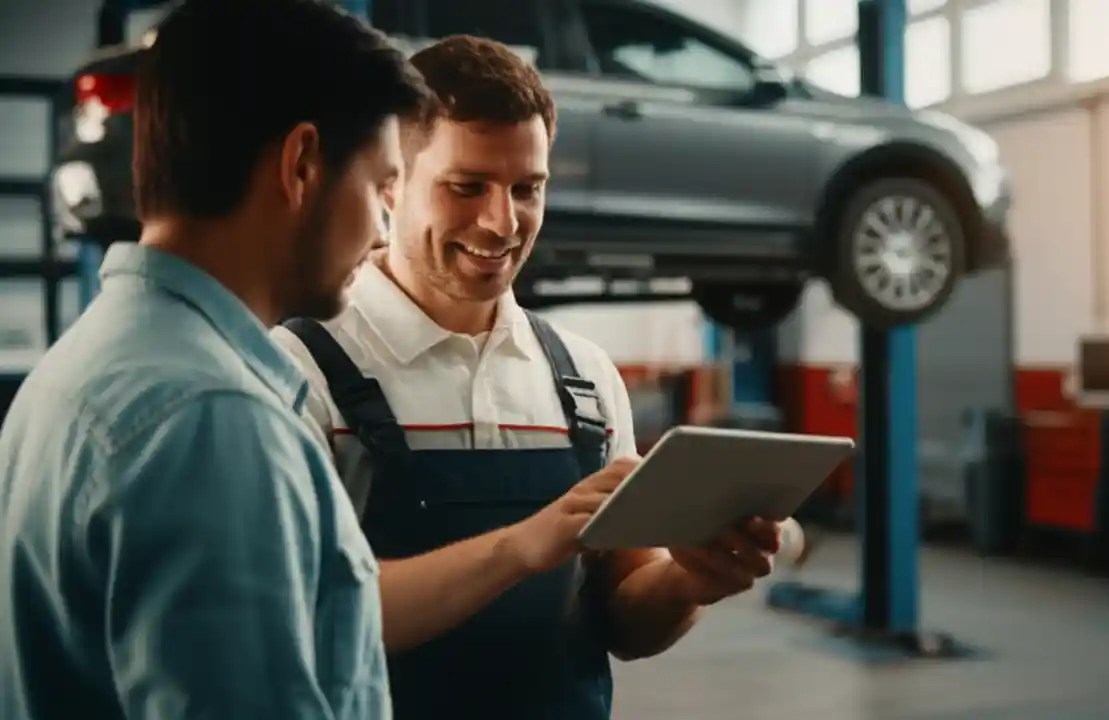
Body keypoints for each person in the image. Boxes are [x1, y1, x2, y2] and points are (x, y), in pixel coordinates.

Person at [272, 35, 783, 719]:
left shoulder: (585, 382)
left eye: (527, 188)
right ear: (392, 181)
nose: (502, 222)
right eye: (467, 186)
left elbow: (625, 620)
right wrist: (520, 547)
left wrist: (692, 580)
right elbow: (308, 618)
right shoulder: (298, 371)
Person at [0, 1, 430, 718]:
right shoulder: (212, 421)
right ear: (302, 164)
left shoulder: (86, 366)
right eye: (382, 186)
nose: (386, 230)